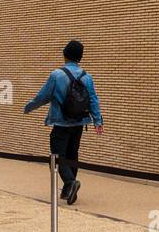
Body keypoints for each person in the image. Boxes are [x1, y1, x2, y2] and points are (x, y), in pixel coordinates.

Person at [24, 40, 103, 206]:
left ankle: (70, 182)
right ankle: (69, 190)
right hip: (80, 122)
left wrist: (29, 107)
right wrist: (98, 120)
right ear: (79, 58)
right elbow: (93, 100)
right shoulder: (87, 76)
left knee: (58, 155)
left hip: (61, 122)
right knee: (73, 154)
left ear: (65, 54)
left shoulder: (57, 74)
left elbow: (43, 96)